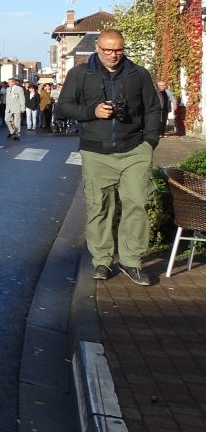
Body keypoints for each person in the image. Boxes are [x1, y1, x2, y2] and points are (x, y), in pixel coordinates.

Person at [55, 29, 161, 286]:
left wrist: (150, 142)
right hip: (96, 152)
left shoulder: (138, 74)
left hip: (134, 150)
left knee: (137, 203)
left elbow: (152, 108)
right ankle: (102, 260)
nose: (114, 55)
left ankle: (131, 260)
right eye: (108, 50)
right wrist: (92, 112)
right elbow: (63, 107)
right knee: (99, 207)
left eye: (119, 50)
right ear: (97, 48)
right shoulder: (80, 74)